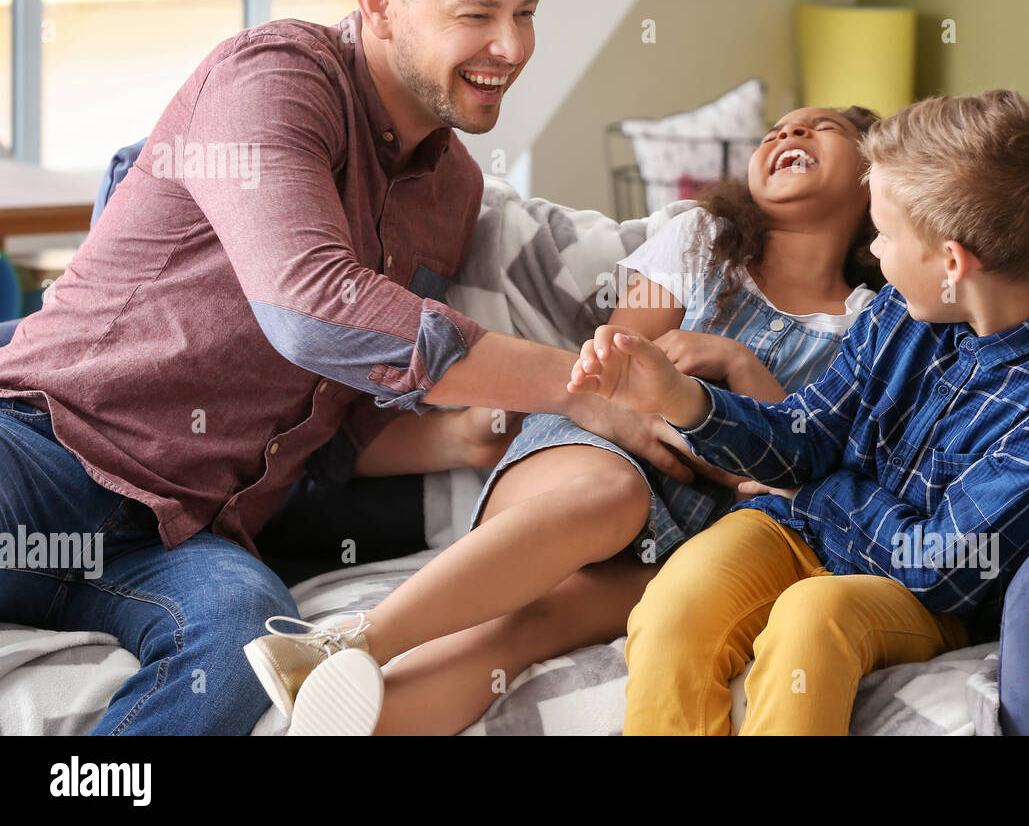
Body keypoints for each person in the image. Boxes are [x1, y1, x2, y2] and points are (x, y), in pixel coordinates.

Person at [0, 0, 695, 736]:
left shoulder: (451, 192)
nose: (512, 46)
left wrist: (491, 432)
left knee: (245, 651)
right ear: (380, 2)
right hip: (41, 448)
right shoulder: (275, 76)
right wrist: (590, 389)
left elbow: (340, 418)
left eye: (525, 14)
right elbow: (315, 307)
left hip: (184, 537)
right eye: (477, 14)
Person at [247, 104, 889, 735]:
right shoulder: (704, 242)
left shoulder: (873, 323)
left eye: (824, 128)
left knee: (529, 628)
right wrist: (683, 407)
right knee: (612, 495)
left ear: (875, 180)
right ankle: (344, 644)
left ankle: (344, 723)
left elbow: (801, 475)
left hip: (701, 535)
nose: (791, 131)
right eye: (778, 129)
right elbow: (608, 374)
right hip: (602, 450)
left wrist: (738, 366)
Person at [570, 89, 1029, 735]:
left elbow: (940, 567)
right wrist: (677, 396)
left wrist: (814, 488)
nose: (877, 253)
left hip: (913, 597)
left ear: (951, 263)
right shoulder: (901, 310)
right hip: (790, 528)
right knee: (674, 608)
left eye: (885, 235)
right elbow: (804, 437)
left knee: (814, 619)